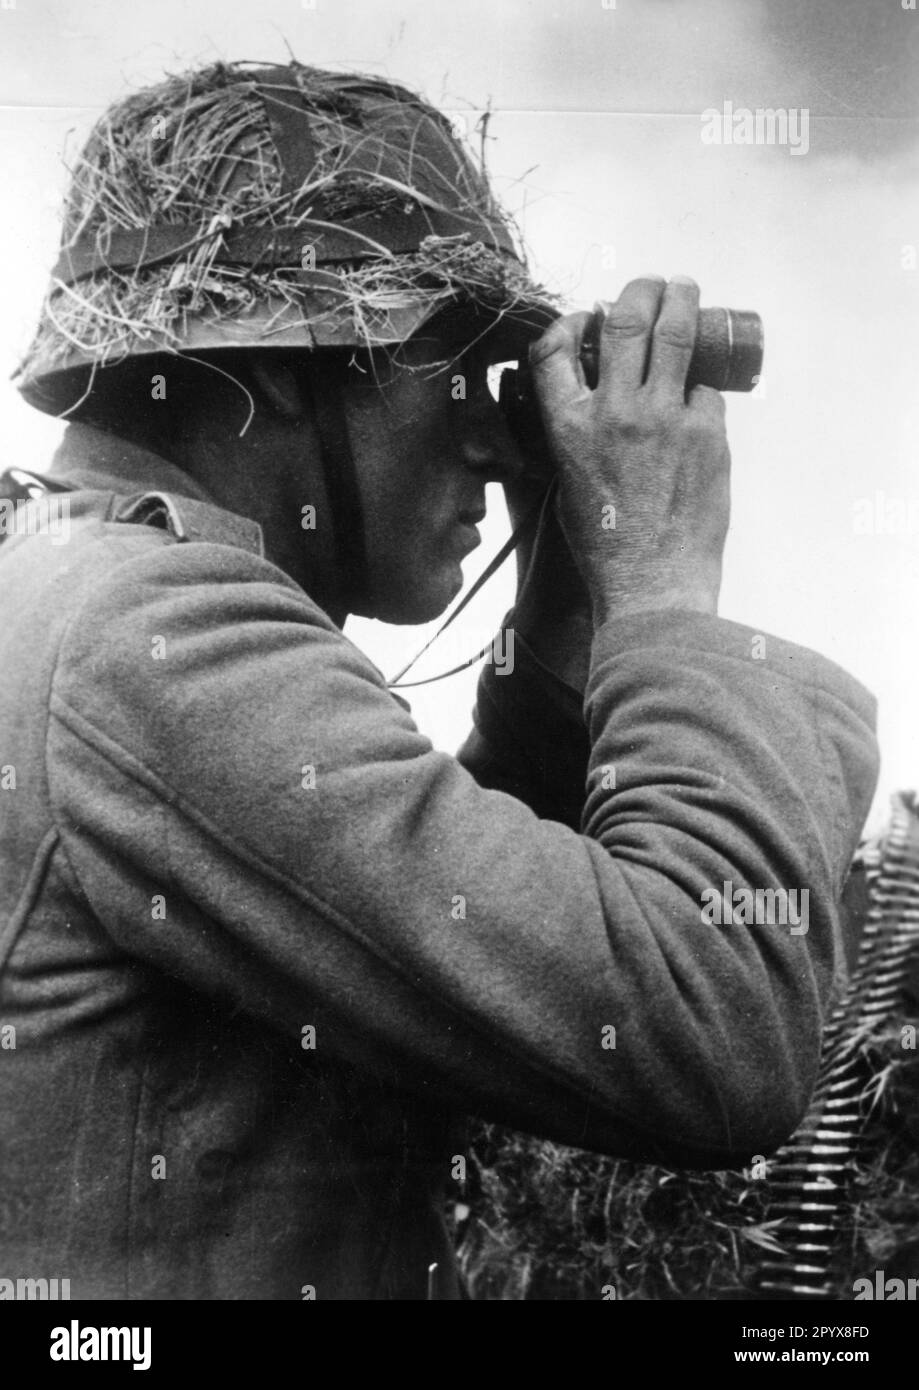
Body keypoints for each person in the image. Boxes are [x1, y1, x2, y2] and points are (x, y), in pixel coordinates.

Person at [0, 59, 878, 1300]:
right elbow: (711, 1031)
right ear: (276, 365)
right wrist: (667, 595)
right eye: (457, 368)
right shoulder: (149, 633)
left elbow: (461, 936)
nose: (493, 433)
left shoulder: (61, 588)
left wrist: (568, 609)